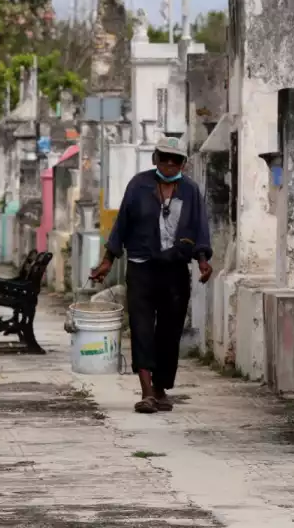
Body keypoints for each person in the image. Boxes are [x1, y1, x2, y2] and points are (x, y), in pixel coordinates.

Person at [90, 135, 213, 414]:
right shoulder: (139, 185)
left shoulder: (191, 190)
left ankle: (160, 387)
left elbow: (199, 227)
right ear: (155, 158)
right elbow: (122, 224)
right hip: (141, 266)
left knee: (169, 332)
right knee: (142, 328)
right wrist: (108, 260)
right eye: (164, 157)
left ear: (184, 162)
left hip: (175, 270)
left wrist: (203, 260)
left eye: (176, 159)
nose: (170, 164)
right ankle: (146, 393)